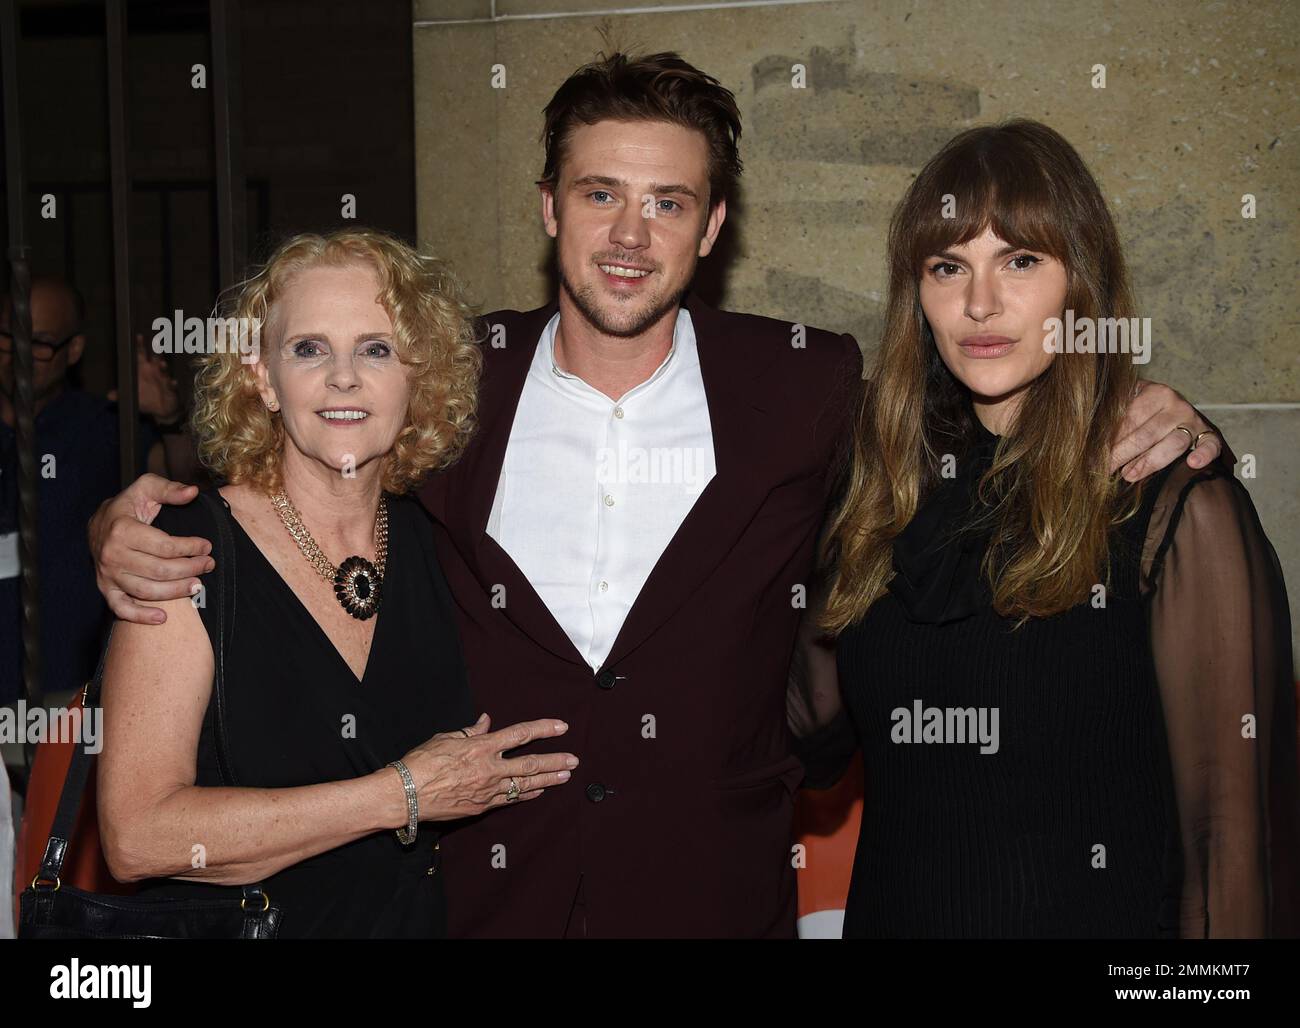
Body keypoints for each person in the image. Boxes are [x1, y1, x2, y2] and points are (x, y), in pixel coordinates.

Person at [88, 54, 1226, 938]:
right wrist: (127, 518)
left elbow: (983, 408)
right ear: (548, 208)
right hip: (478, 913)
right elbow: (303, 451)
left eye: (669, 203)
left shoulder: (806, 383)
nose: (629, 237)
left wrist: (1157, 408)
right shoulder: (448, 380)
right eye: (599, 194)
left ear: (713, 227)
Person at [816, 120, 1299, 938]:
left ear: (1081, 280)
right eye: (947, 267)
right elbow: (798, 739)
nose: (979, 303)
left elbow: (1227, 850)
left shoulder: (1169, 497)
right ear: (917, 293)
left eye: (1021, 260)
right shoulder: (881, 496)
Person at [95, 230, 576, 938]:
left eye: (376, 349)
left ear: (419, 377)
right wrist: (400, 794)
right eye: (309, 348)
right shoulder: (184, 551)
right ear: (263, 377)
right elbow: (137, 837)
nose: (343, 377)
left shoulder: (442, 542)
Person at [0, 276, 182, 705]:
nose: (22, 353)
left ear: (74, 350)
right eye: (9, 337)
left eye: (41, 341)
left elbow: (190, 482)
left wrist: (170, 418)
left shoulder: (102, 425)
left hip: (69, 688)